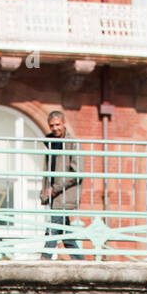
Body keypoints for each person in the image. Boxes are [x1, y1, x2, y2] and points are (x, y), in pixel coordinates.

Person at [40, 110, 84, 259]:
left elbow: (76, 172)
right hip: (55, 193)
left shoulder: (72, 143)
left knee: (53, 228)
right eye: (52, 125)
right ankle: (81, 262)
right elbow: (49, 169)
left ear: (64, 123)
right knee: (66, 234)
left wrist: (55, 189)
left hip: (65, 193)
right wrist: (45, 191)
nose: (55, 128)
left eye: (58, 124)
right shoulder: (51, 143)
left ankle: (44, 260)